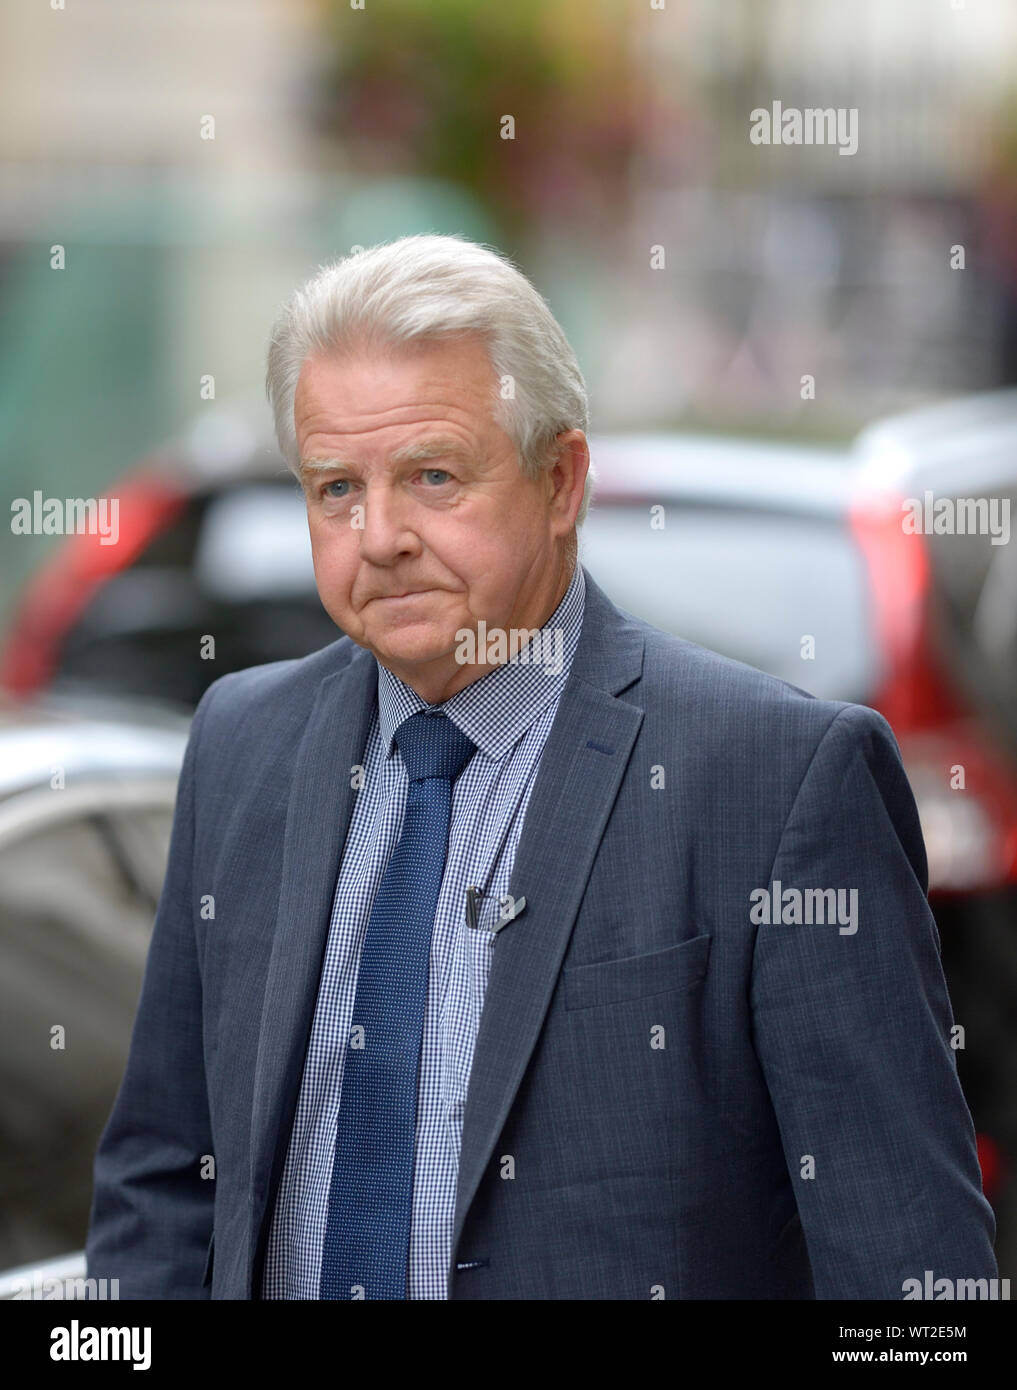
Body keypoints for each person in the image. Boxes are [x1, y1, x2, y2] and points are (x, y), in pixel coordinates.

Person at [85, 233, 997, 1299]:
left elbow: (904, 1264)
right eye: (337, 488)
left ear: (560, 480)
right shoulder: (244, 744)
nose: (379, 536)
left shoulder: (777, 778)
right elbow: (162, 1177)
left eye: (432, 476)